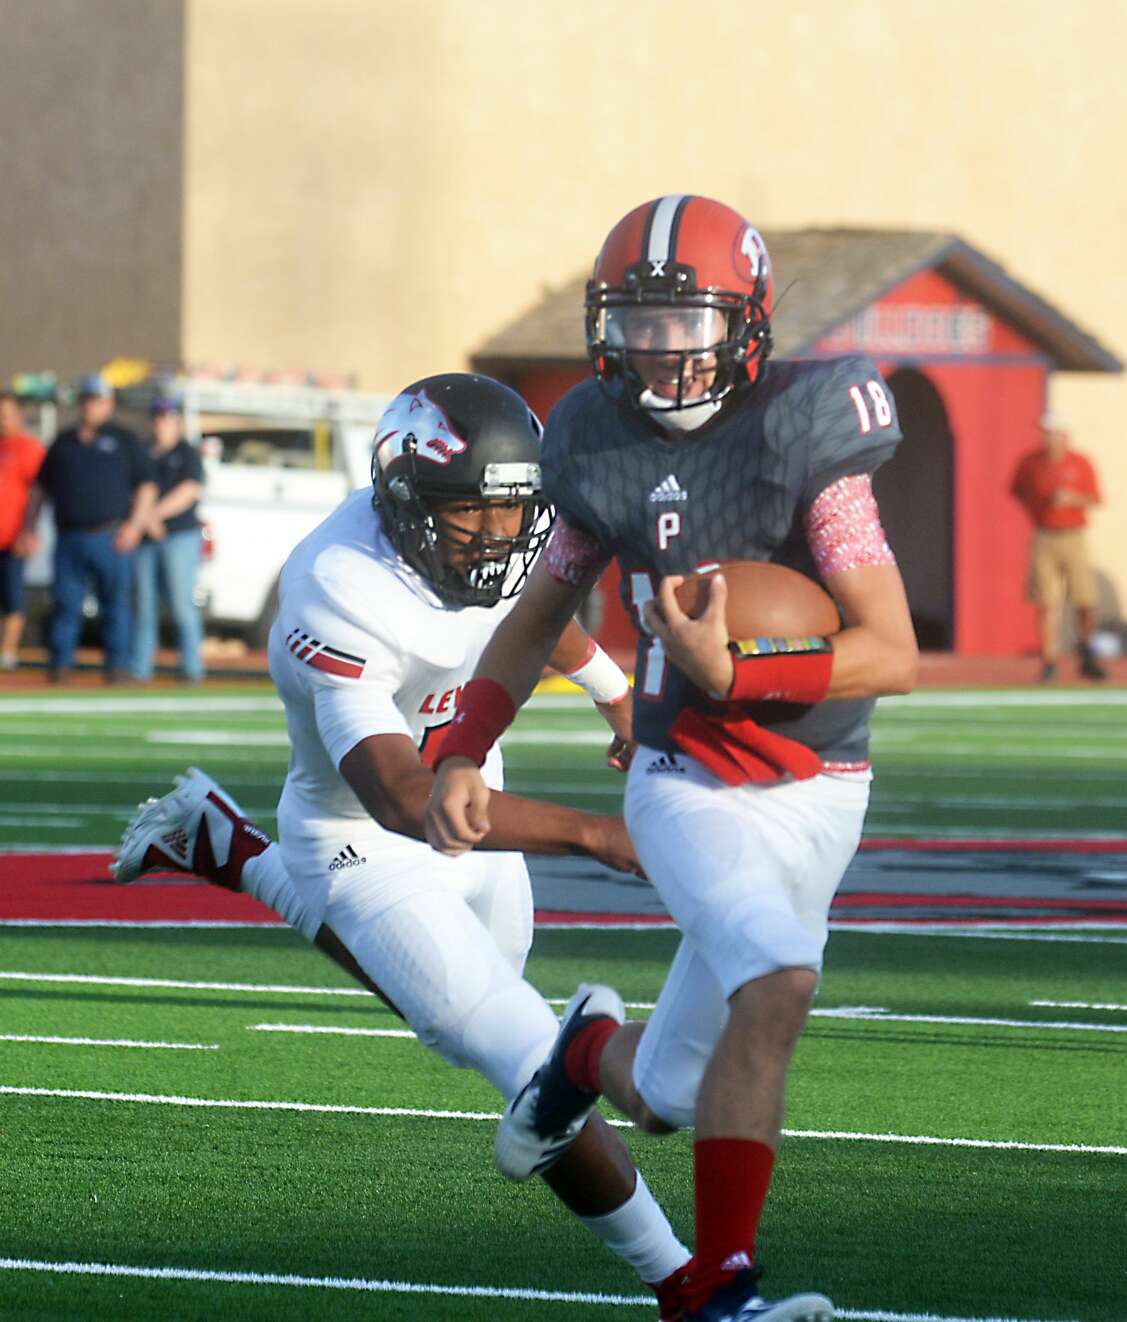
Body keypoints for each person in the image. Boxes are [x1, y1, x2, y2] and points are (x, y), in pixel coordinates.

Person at [425, 196, 918, 1322]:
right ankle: (719, 1284)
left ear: (746, 319)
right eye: (638, 319)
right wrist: (465, 745)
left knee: (671, 1088)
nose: (660, 345)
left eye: (686, 316)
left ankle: (582, 1049)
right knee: (780, 976)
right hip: (686, 779)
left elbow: (891, 651)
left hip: (821, 781)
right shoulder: (589, 436)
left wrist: (735, 665)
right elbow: (535, 609)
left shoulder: (813, 434)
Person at [112, 373, 692, 1319]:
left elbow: (528, 608)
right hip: (362, 834)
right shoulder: (335, 587)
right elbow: (403, 798)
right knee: (531, 1060)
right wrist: (596, 833)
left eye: (515, 513)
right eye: (474, 514)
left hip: (473, 792)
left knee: (479, 1001)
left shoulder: (500, 528)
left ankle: (227, 849)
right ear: (409, 502)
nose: (501, 537)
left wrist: (614, 690)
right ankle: (688, 1282)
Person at [17, 375, 156, 683]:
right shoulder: (64, 442)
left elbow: (146, 487)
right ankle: (61, 664)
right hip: (70, 535)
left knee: (116, 604)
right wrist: (30, 528)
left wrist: (134, 526)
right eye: (88, 400)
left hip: (111, 535)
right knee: (66, 603)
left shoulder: (124, 440)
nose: (92, 406)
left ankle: (117, 666)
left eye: (99, 400)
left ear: (109, 404)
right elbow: (40, 489)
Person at [1010, 413, 1106, 682]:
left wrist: (1071, 499)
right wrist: (1037, 509)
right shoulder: (1031, 464)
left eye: (1052, 433)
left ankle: (1086, 649)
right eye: (1045, 433)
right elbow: (1017, 491)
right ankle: (1050, 659)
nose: (1047, 438)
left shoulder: (1079, 463)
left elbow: (1095, 498)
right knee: (1047, 601)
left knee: (1085, 598)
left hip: (1074, 535)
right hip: (1044, 535)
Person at [131, 395, 206, 683]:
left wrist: (151, 516)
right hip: (147, 538)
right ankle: (140, 668)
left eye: (167, 418)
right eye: (158, 418)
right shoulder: (144, 452)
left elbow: (189, 491)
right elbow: (132, 487)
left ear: (176, 421)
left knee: (180, 603)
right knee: (144, 605)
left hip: (179, 536)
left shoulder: (187, 452)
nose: (162, 423)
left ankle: (191, 668)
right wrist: (146, 520)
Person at [0, 391, 46, 670]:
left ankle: (8, 651)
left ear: (19, 416)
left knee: (12, 596)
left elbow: (37, 492)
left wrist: (28, 531)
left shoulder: (28, 448)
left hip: (12, 537)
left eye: (6, 414)